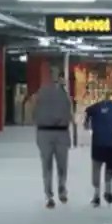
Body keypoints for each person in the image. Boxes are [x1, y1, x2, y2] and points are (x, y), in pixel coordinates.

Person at [29, 68, 75, 209]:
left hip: (45, 132)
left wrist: (37, 119)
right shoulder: (64, 95)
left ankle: (51, 194)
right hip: (58, 132)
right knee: (60, 165)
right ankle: (59, 191)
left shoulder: (40, 93)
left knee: (47, 165)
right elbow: (70, 114)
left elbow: (32, 110)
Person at [83, 91, 112, 206]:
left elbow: (87, 112)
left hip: (98, 143)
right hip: (110, 144)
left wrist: (87, 123)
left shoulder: (95, 107)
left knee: (96, 169)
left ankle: (96, 195)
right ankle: (108, 190)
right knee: (109, 168)